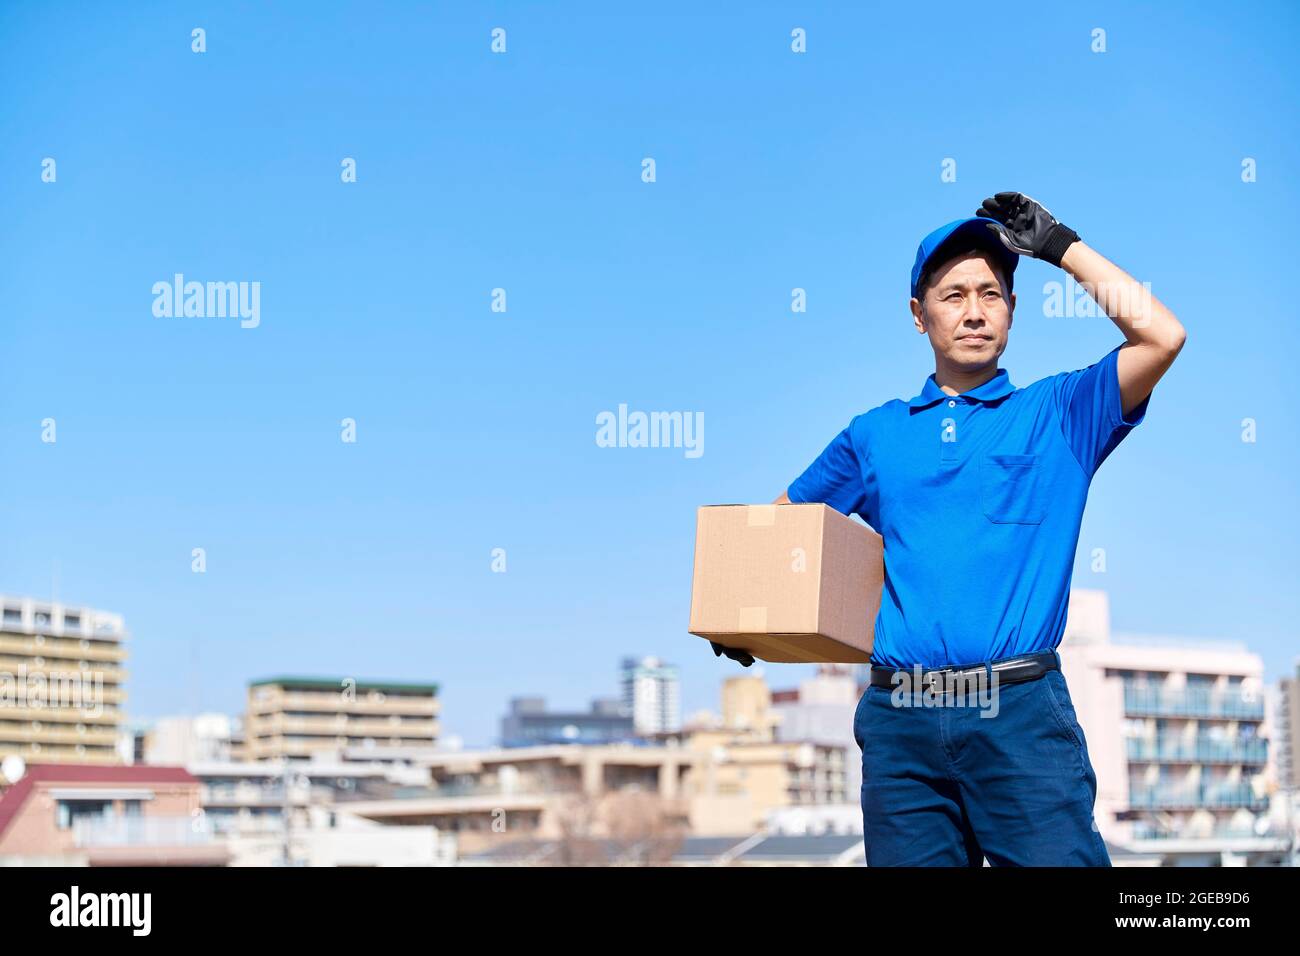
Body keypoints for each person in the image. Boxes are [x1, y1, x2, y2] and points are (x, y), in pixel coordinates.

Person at [712, 192, 1186, 866]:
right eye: (954, 293)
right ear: (919, 315)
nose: (973, 310)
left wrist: (1062, 248)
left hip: (1018, 714)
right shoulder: (875, 436)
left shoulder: (1060, 413)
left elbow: (1162, 335)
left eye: (991, 294)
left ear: (1013, 311)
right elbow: (780, 533)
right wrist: (748, 624)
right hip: (900, 724)